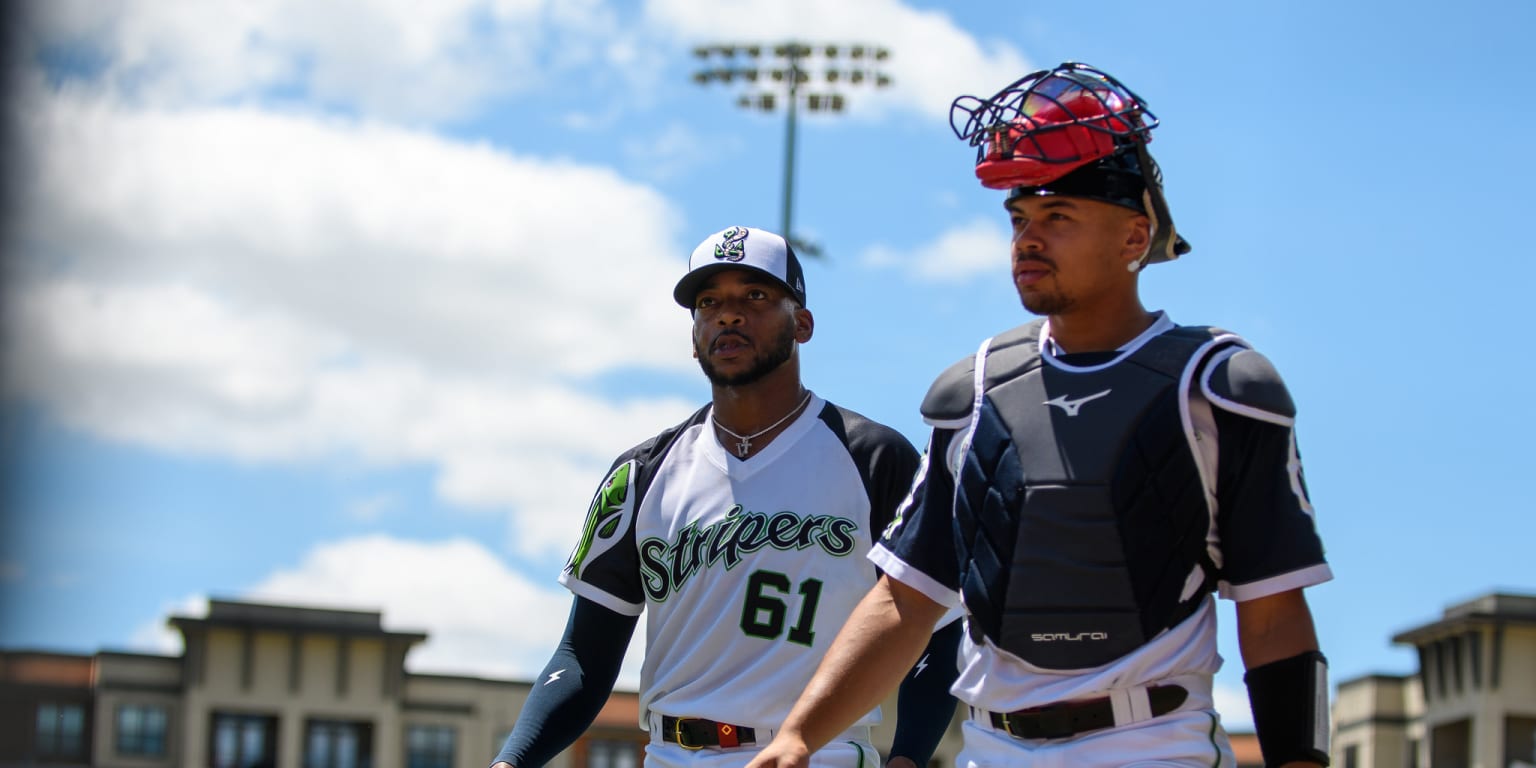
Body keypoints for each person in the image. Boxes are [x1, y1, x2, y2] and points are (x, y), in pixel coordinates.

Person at [746, 62, 1334, 768]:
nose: (1027, 239)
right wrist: (799, 737)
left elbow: (1274, 613)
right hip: (992, 746)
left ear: (1134, 239)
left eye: (1058, 217)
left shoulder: (1219, 384)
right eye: (1020, 219)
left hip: (1152, 744)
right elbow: (906, 600)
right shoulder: (972, 393)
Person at [490, 225, 961, 768]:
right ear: (694, 337)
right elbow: (583, 657)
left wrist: (908, 759)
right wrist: (511, 762)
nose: (728, 315)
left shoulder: (875, 458)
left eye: (755, 297)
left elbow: (941, 629)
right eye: (708, 302)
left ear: (802, 323)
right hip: (673, 754)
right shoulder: (642, 473)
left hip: (819, 754)